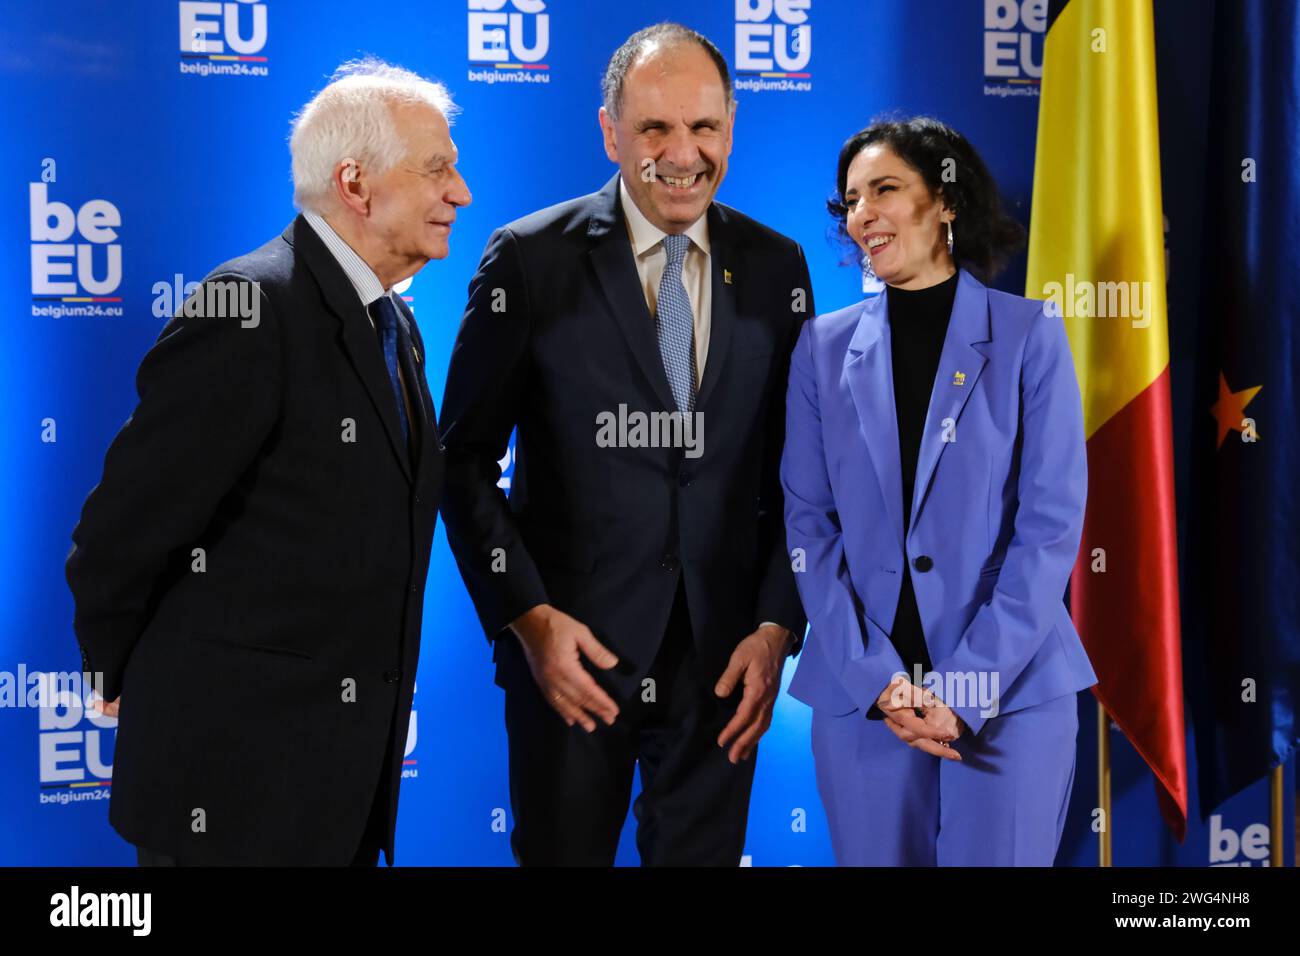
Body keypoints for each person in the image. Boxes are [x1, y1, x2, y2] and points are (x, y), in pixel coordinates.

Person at [64, 58, 471, 866]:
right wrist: (118, 667)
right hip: (233, 793)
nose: (460, 192)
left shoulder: (396, 325)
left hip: (341, 792)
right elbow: (123, 528)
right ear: (355, 184)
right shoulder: (250, 308)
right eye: (438, 169)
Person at [439, 23, 813, 866]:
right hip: (573, 661)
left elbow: (805, 474)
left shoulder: (776, 265)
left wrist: (775, 625)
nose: (682, 153)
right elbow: (459, 461)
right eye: (655, 129)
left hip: (725, 668)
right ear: (610, 131)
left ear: (731, 125)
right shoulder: (529, 261)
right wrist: (529, 620)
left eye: (704, 127)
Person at [780, 117, 1098, 866]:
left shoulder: (1029, 335)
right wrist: (881, 682)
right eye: (851, 200)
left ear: (946, 203)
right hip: (865, 703)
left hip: (1011, 696)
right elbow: (807, 527)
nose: (862, 215)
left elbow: (1048, 526)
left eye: (884, 190)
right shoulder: (822, 347)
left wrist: (963, 687)